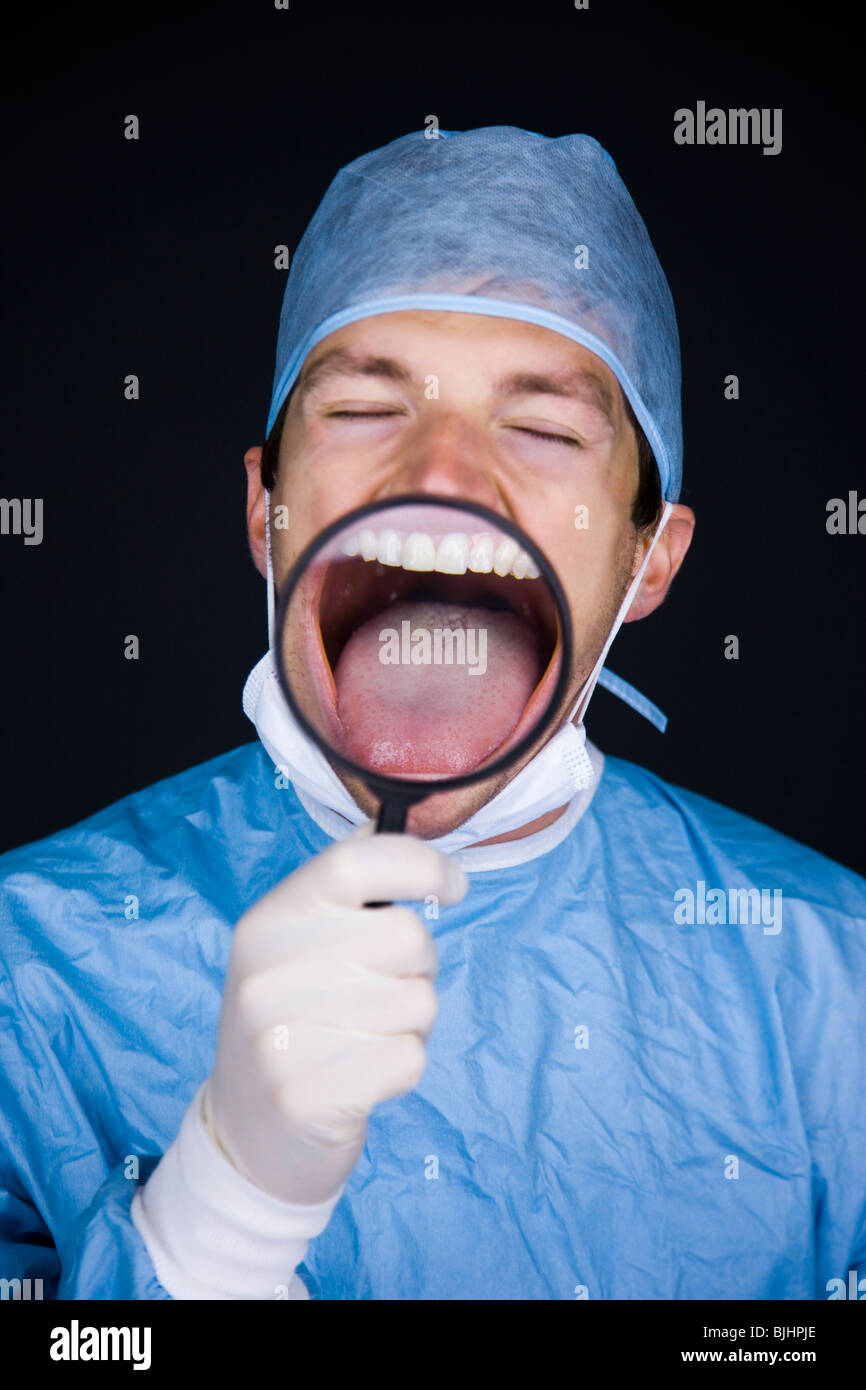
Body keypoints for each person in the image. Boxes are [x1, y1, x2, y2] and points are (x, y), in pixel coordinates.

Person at [1, 126, 864, 1302]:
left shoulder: (833, 985)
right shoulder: (27, 966)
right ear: (264, 511)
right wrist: (217, 1219)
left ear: (648, 558)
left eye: (544, 427)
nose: (442, 474)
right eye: (364, 407)